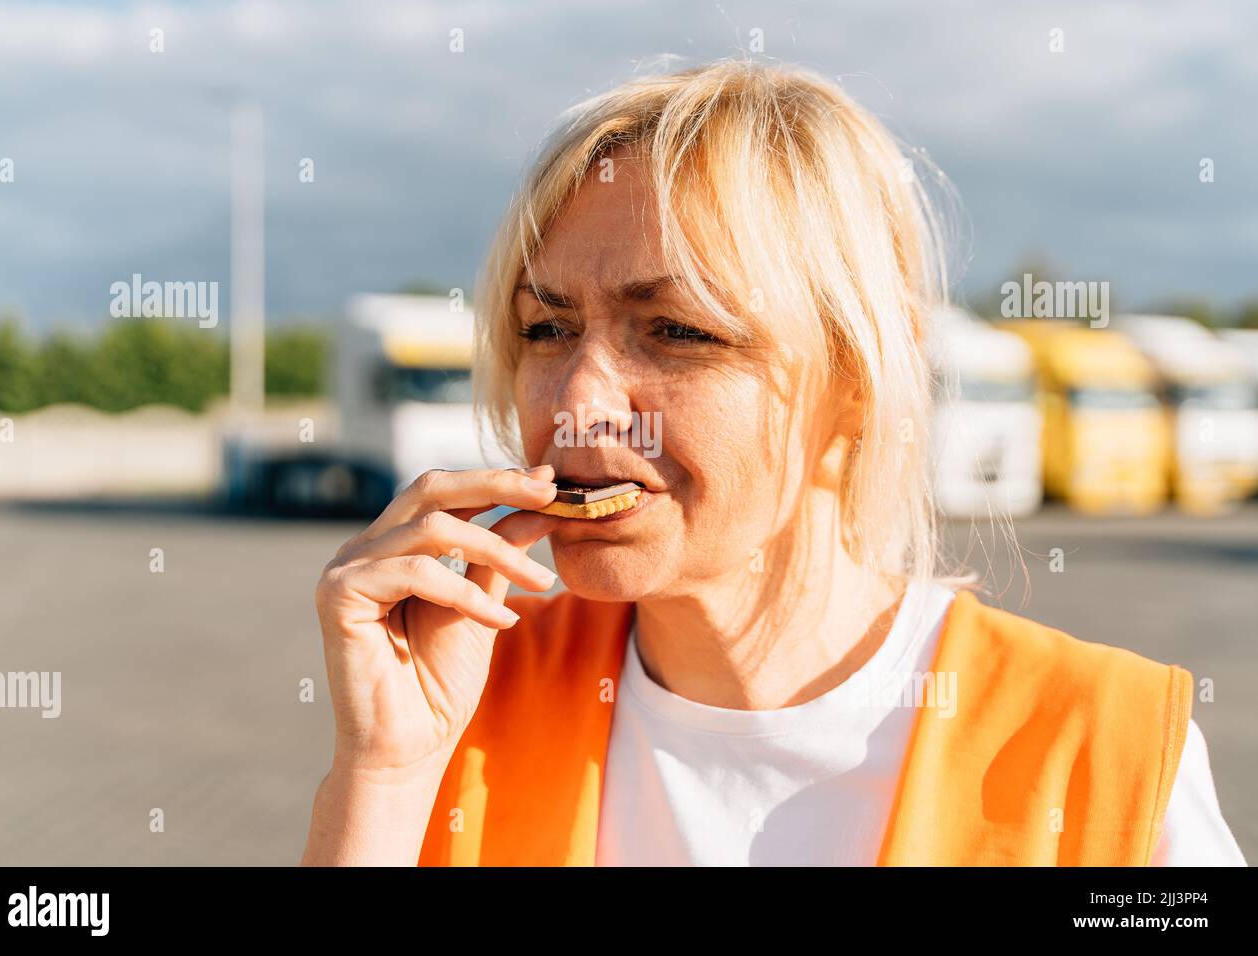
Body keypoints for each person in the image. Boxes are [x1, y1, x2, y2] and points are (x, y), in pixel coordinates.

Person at [301, 59, 1245, 867]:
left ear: (864, 374)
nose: (576, 405)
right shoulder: (459, 702)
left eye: (676, 331)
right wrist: (383, 774)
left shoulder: (1106, 753)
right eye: (545, 328)